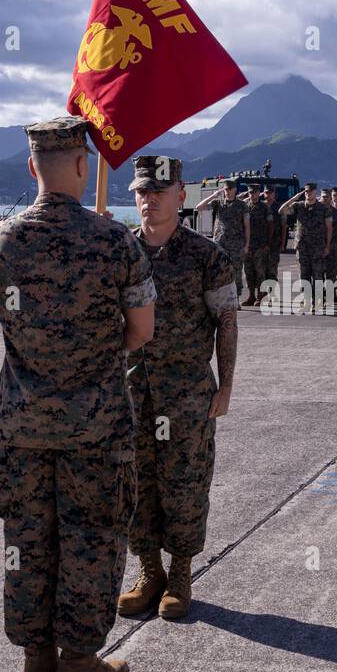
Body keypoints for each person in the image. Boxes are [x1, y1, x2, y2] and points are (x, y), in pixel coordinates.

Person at [0, 117, 156, 672]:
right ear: (83, 166)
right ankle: (77, 661)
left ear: (32, 167)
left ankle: (35, 662)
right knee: (92, 538)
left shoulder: (0, 239)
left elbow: (10, 316)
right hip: (96, 425)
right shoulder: (115, 242)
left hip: (22, 422)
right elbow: (140, 334)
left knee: (27, 537)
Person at [119, 156, 238, 621]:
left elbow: (227, 322)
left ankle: (182, 572)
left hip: (187, 395)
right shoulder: (121, 253)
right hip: (131, 394)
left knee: (185, 486)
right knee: (136, 485)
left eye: (159, 192)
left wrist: (225, 386)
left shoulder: (207, 255)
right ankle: (149, 572)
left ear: (180, 196)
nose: (148, 200)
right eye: (141, 192)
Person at [278, 182, 334, 313]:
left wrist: (327, 245)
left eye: (311, 191)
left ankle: (318, 301)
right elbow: (281, 211)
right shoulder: (299, 206)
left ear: (316, 192)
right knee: (304, 276)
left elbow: (329, 228)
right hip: (302, 247)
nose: (308, 194)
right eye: (307, 191)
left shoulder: (324, 208)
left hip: (318, 247)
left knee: (318, 276)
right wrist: (295, 198)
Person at [195, 179, 249, 299]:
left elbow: (247, 226)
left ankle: (236, 298)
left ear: (235, 190)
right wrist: (213, 196)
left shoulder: (242, 205)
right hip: (220, 244)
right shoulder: (218, 203)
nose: (227, 191)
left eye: (229, 189)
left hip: (236, 245)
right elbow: (199, 207)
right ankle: (220, 297)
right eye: (225, 189)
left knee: (236, 272)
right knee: (218, 271)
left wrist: (246, 245)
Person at [242, 187, 273, 306]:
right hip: (247, 245)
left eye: (254, 192)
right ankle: (251, 295)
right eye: (249, 192)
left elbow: (271, 225)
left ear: (258, 193)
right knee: (248, 271)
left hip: (260, 245)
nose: (251, 194)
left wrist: (268, 243)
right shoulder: (244, 206)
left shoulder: (265, 207)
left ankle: (260, 296)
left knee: (260, 271)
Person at [264, 185, 284, 285]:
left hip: (274, 243)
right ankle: (260, 295)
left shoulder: (279, 208)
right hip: (261, 243)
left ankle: (272, 295)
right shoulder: (261, 206)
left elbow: (284, 227)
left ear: (274, 194)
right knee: (261, 270)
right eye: (266, 192)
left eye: (270, 193)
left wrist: (282, 244)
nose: (267, 195)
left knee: (272, 269)